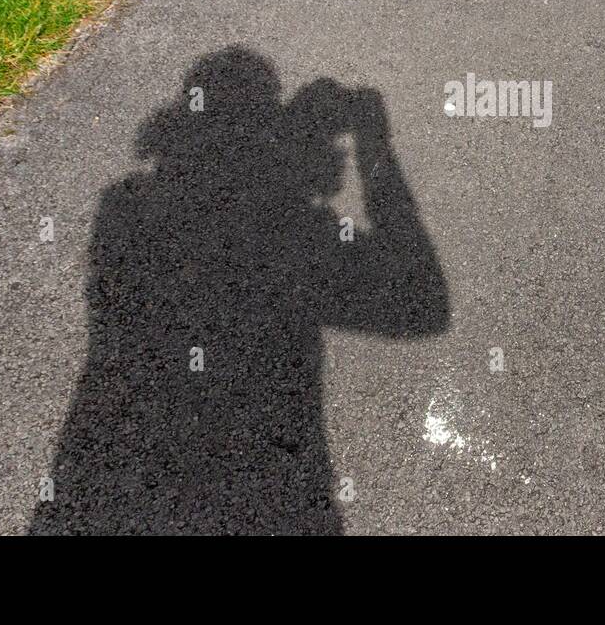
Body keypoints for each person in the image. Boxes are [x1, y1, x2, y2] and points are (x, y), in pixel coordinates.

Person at [31, 47, 449, 534]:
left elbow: (229, 194)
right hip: (268, 503)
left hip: (100, 491)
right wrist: (373, 144)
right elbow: (422, 303)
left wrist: (282, 146)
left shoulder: (126, 204)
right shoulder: (292, 233)